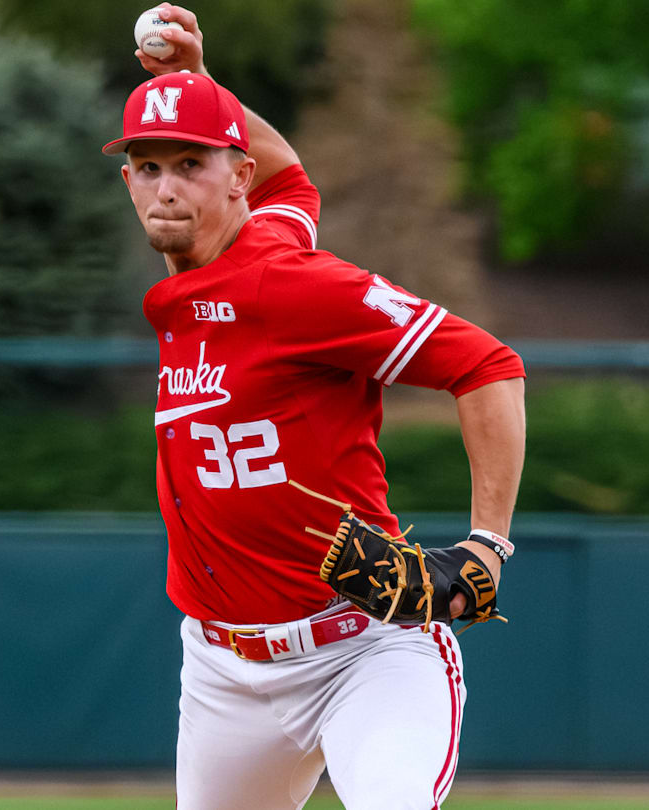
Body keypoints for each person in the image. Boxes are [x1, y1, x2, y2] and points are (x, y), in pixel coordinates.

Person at [102, 5, 527, 808]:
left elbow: (488, 366)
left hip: (362, 654)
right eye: (148, 166)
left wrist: (487, 544)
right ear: (126, 180)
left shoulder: (294, 285)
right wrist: (193, 84)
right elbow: (292, 174)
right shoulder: (244, 240)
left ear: (236, 179)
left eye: (189, 163)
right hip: (223, 672)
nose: (165, 187)